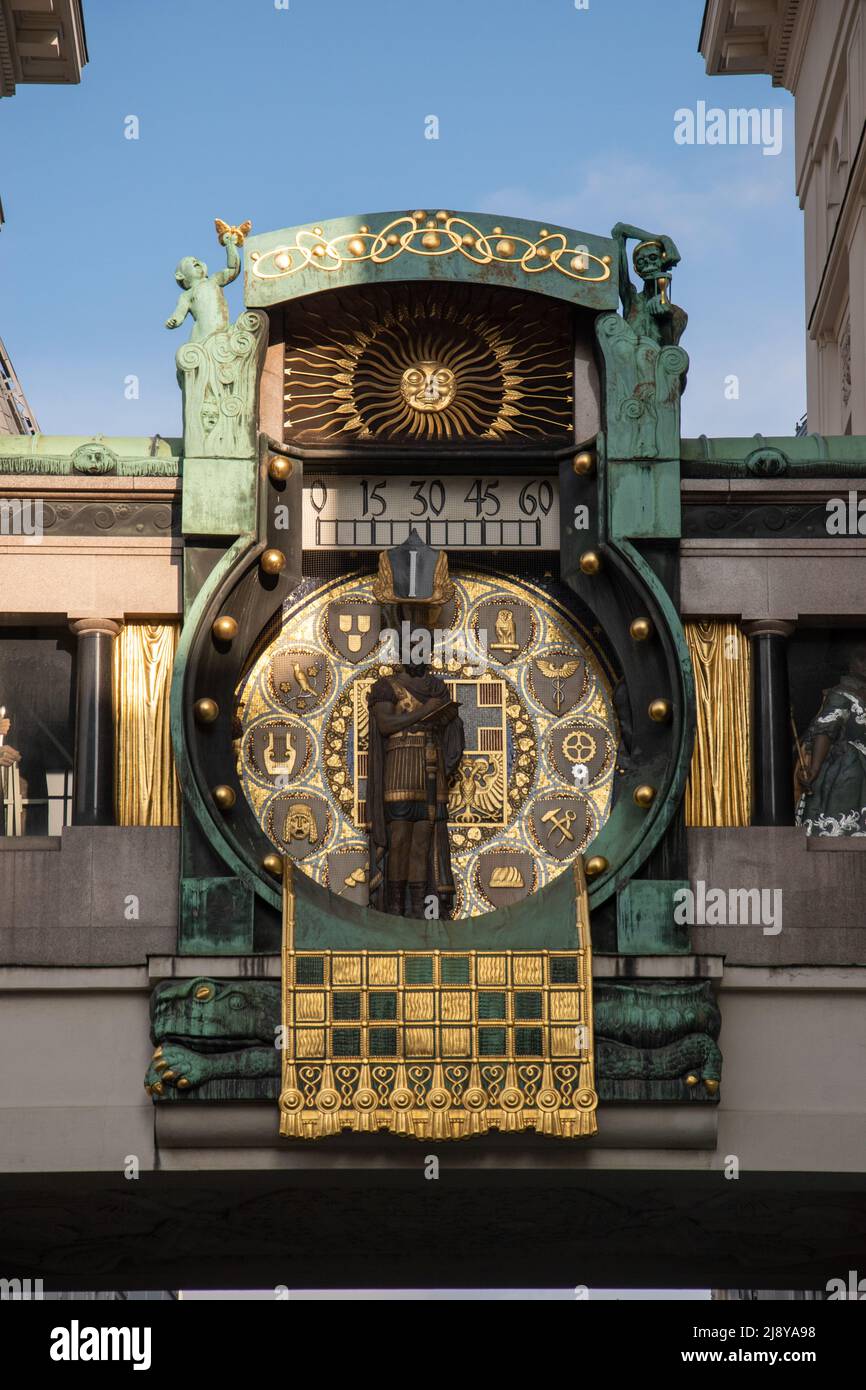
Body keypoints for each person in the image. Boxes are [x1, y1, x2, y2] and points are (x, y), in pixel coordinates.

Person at [366, 662, 464, 918]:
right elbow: (386, 724)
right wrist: (425, 713)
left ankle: (418, 908)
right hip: (400, 767)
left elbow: (450, 724)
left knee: (423, 841)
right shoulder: (386, 687)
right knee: (399, 839)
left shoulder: (436, 688)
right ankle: (396, 907)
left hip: (431, 765)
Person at [796, 645, 866, 835]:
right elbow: (826, 730)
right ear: (848, 664)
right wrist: (815, 768)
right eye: (861, 658)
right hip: (852, 767)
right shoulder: (841, 694)